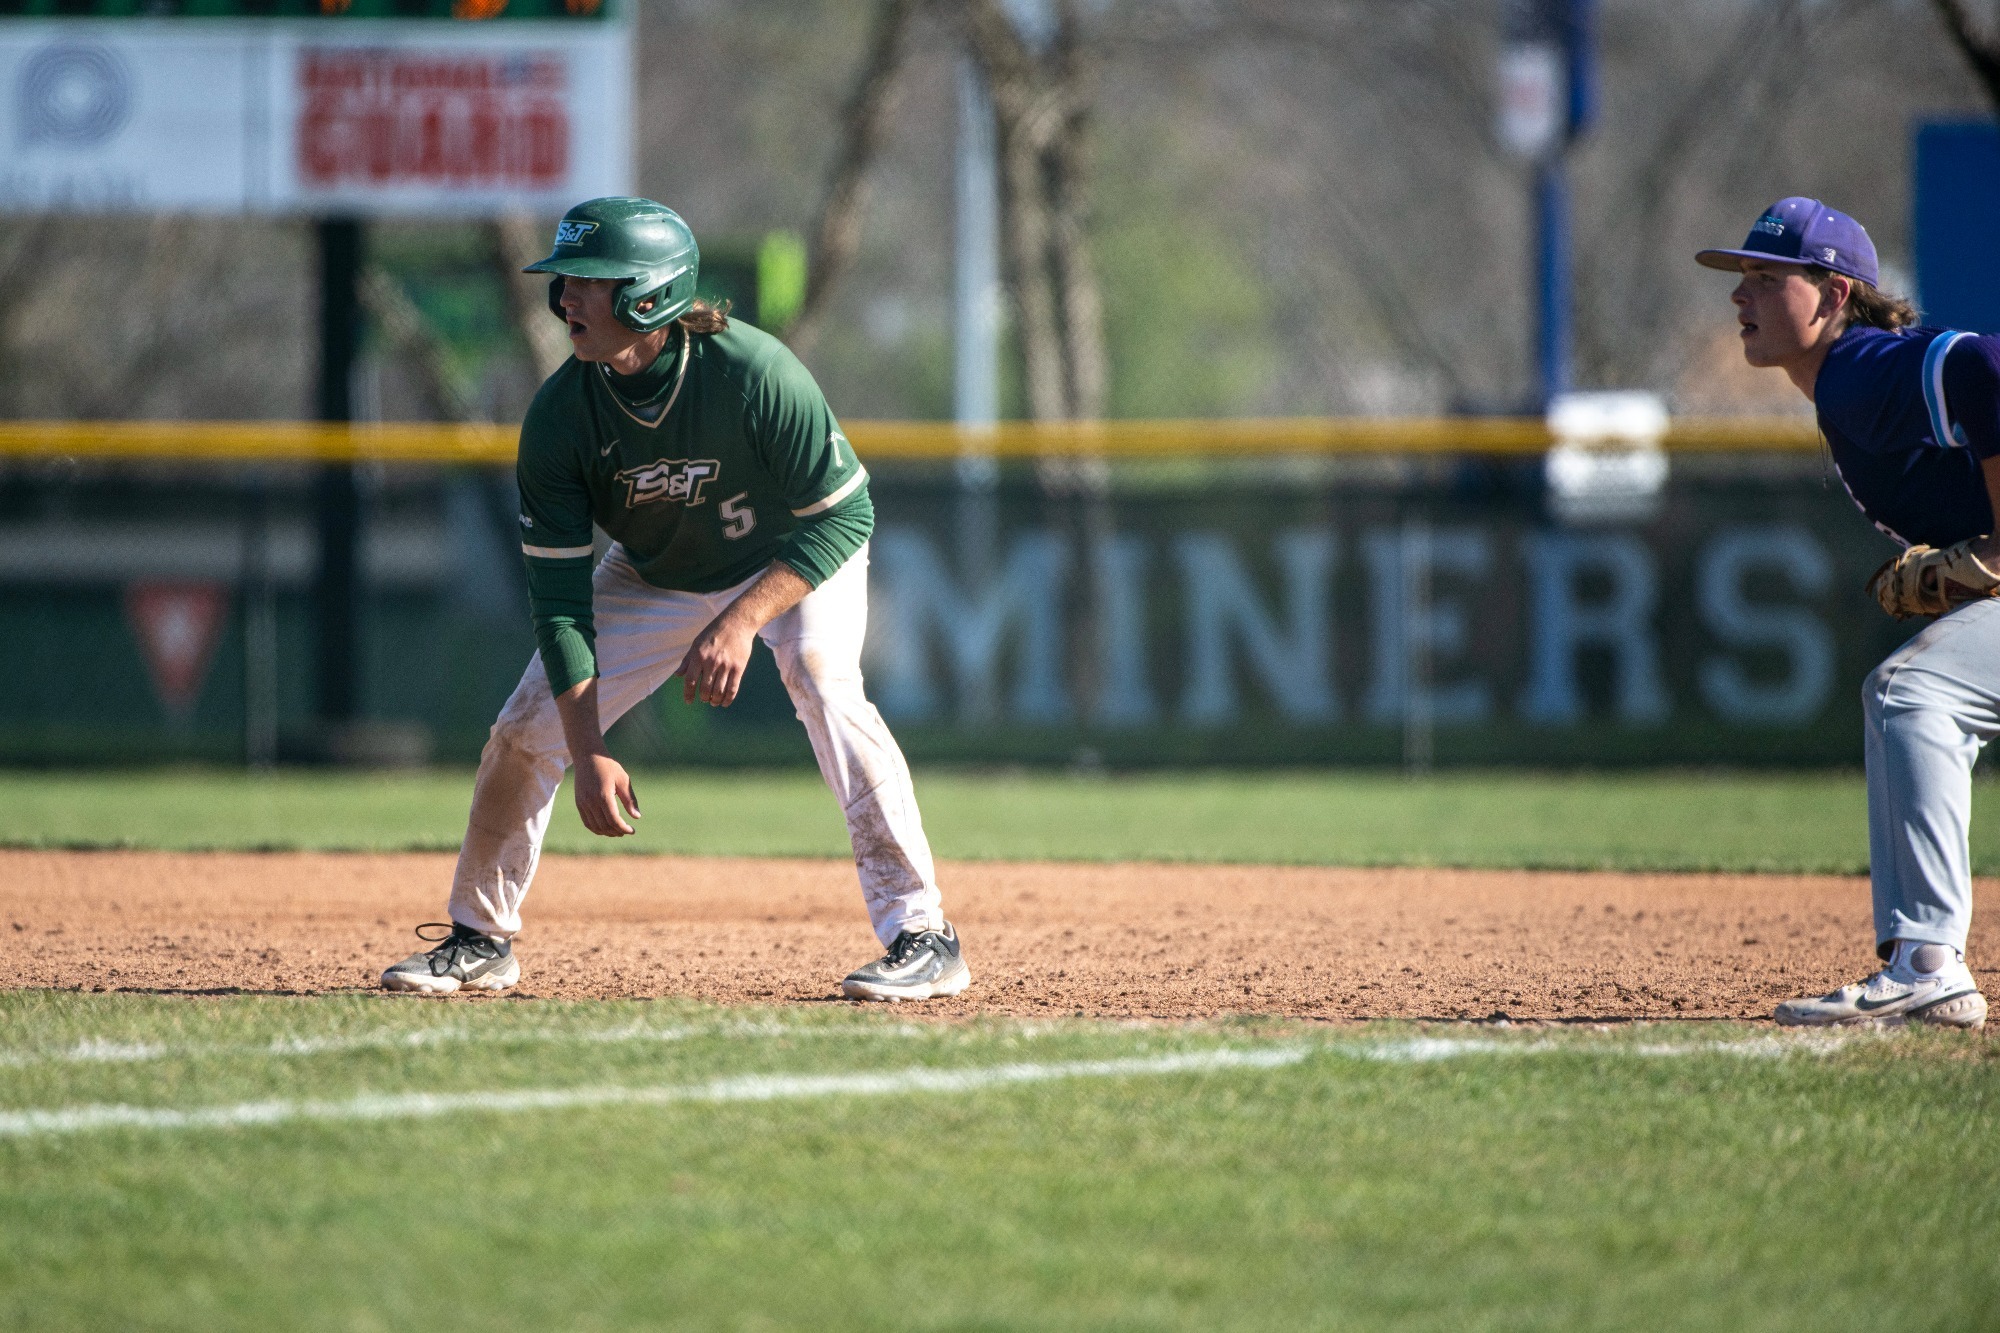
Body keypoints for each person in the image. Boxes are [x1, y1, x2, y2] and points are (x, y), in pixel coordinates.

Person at [380, 197, 970, 1003]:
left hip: (791, 559)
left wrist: (742, 619)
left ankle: (924, 934)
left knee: (822, 677)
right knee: (526, 728)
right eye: (565, 283)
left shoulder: (755, 375)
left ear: (649, 296)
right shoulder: (561, 417)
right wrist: (587, 750)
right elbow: (558, 604)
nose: (567, 301)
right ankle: (481, 938)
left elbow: (848, 516)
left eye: (590, 283)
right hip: (657, 571)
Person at [1697, 196, 1998, 1028]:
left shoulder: (1859, 370)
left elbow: (1987, 369)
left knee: (1915, 693)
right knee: (1899, 694)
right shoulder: (1845, 389)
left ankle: (1929, 964)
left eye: (1766, 277)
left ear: (1833, 295)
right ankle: (1921, 961)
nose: (1740, 296)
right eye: (1741, 278)